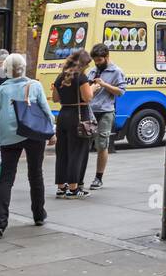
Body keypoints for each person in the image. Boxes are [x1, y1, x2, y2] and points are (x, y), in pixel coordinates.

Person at [0, 53, 53, 238]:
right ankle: (39, 214)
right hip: (34, 134)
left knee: (6, 179)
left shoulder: (0, 91)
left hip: (9, 136)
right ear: (24, 67)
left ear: (6, 70)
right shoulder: (35, 85)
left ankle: (0, 223)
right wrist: (51, 131)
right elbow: (46, 111)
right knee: (36, 174)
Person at [50, 49, 94, 198]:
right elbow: (87, 98)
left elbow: (55, 98)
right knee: (76, 152)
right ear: (82, 64)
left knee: (61, 152)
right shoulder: (81, 78)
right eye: (87, 64)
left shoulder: (60, 77)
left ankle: (61, 187)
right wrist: (93, 88)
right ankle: (74, 188)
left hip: (63, 115)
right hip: (78, 116)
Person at [88, 44, 126, 188]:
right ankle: (78, 178)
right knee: (84, 143)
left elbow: (121, 92)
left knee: (102, 144)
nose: (97, 63)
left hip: (106, 111)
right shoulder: (92, 71)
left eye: (99, 60)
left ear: (107, 57)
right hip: (90, 111)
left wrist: (104, 85)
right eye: (95, 60)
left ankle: (98, 177)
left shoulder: (116, 71)